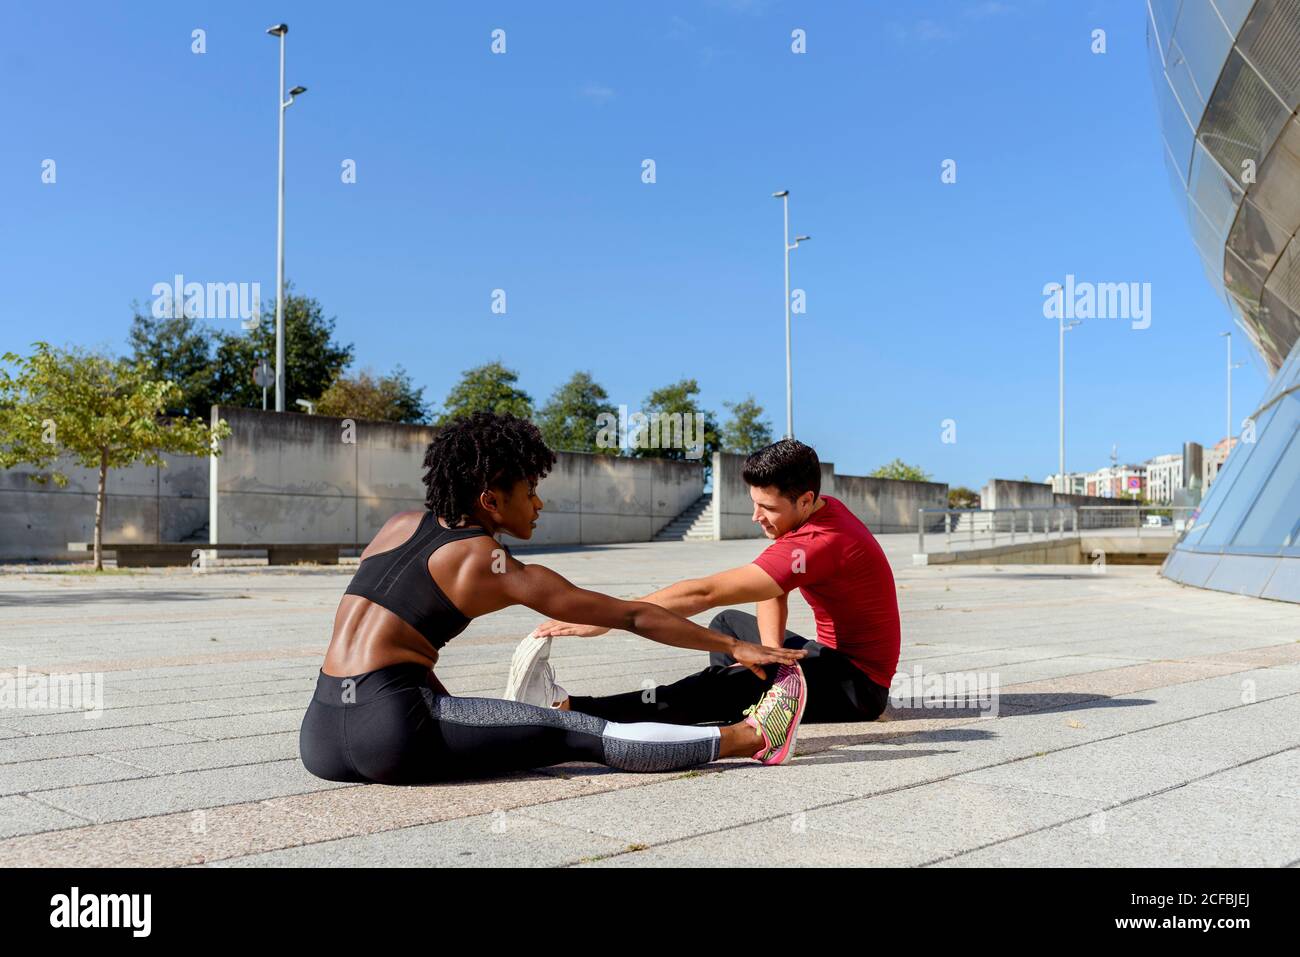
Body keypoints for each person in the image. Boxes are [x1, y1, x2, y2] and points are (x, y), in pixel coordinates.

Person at [298, 412, 809, 785]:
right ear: (490, 501)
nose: (539, 503)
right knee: (572, 731)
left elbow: (382, 642)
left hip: (320, 733)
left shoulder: (397, 526)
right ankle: (751, 737)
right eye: (529, 490)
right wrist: (733, 645)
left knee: (492, 724)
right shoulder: (490, 565)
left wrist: (453, 714)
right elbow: (631, 615)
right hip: (395, 732)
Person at [522, 438, 900, 727]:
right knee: (729, 625)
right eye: (754, 503)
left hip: (858, 687)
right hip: (829, 660)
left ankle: (574, 711)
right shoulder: (818, 509)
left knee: (714, 684)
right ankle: (754, 701)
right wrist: (772, 655)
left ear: (804, 500)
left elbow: (704, 592)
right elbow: (771, 589)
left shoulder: (820, 542)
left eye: (768, 508)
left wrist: (608, 618)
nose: (756, 517)